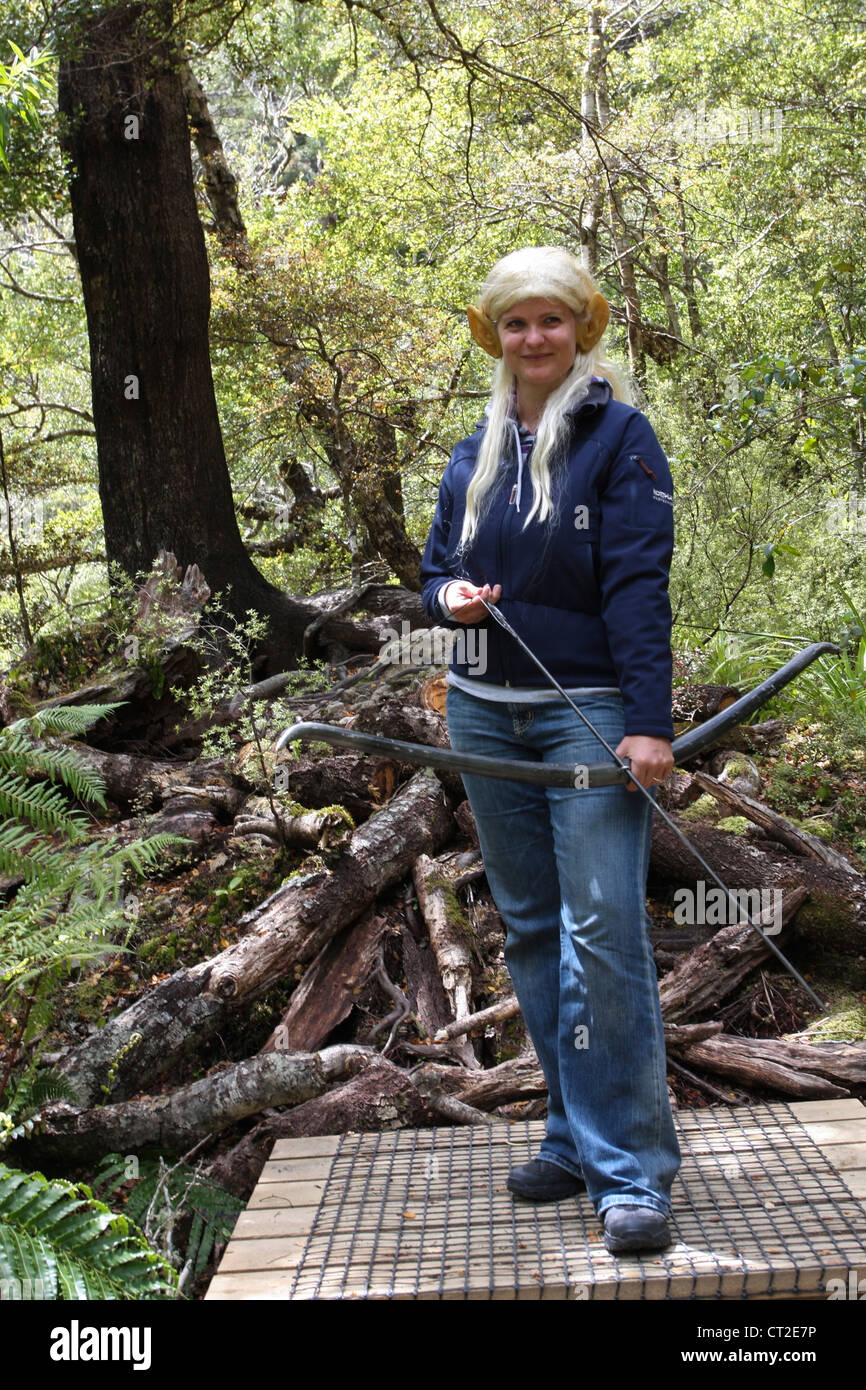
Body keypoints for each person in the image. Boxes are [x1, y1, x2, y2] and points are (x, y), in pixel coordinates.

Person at [419, 245, 681, 1254]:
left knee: (604, 932)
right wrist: (445, 597)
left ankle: (629, 1178)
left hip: (585, 711)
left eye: (552, 321)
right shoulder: (473, 442)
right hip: (482, 711)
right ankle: (571, 1136)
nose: (535, 338)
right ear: (497, 336)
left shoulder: (621, 440)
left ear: (580, 329)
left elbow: (635, 585)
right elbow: (435, 567)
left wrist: (646, 721)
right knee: (528, 927)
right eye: (515, 323)